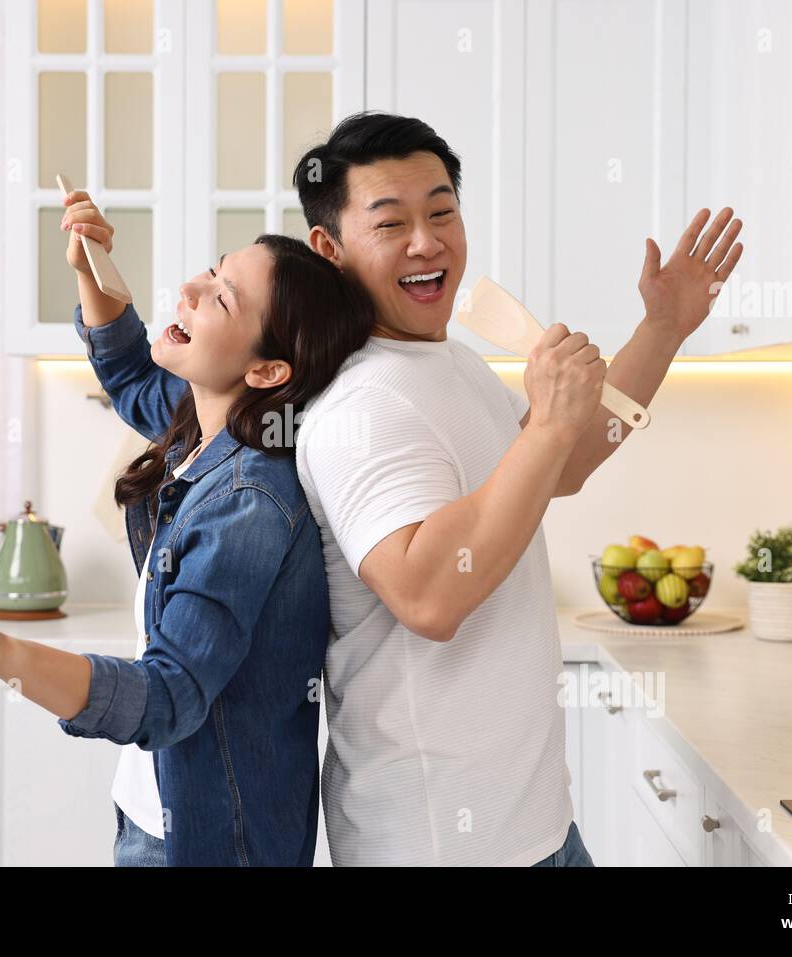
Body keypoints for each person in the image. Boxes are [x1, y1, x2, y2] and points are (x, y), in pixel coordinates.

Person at [290, 111, 743, 866]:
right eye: (392, 222)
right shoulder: (360, 406)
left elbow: (557, 465)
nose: (427, 241)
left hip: (535, 827)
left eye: (442, 212)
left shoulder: (454, 366)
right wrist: (543, 429)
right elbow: (429, 595)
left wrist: (662, 328)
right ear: (329, 250)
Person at [0, 192, 375, 866]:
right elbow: (128, 371)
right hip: (157, 815)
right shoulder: (204, 428)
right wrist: (94, 268)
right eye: (211, 271)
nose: (190, 289)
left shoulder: (249, 503)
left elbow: (167, 695)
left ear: (265, 370)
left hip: (211, 844)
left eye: (221, 299)